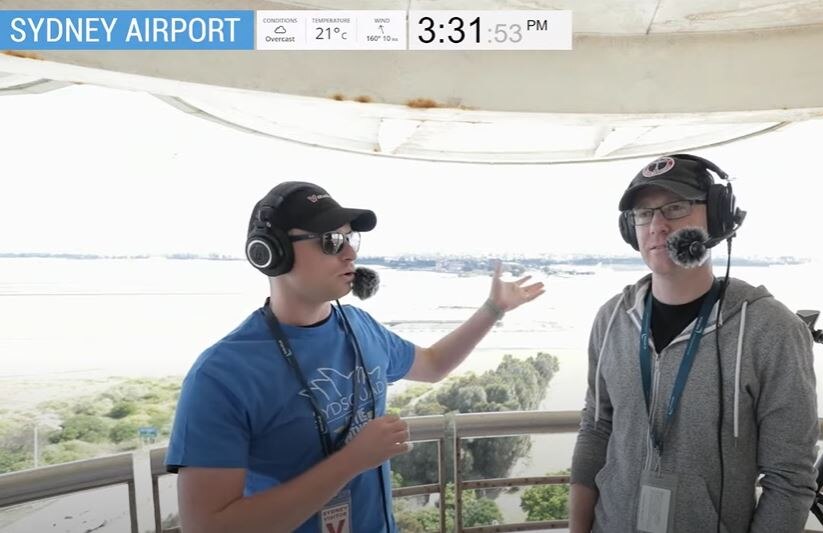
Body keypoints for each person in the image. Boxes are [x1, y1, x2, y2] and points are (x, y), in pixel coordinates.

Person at [166, 181, 544, 533]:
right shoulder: (221, 375)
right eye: (331, 241)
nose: (350, 253)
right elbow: (207, 526)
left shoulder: (359, 326)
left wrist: (493, 309)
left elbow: (432, 365)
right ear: (272, 253)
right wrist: (352, 460)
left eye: (351, 239)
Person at [569, 154, 818, 533]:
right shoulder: (611, 319)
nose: (657, 225)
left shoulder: (772, 330)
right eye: (643, 213)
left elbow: (789, 479)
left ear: (718, 217)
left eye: (676, 207)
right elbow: (596, 428)